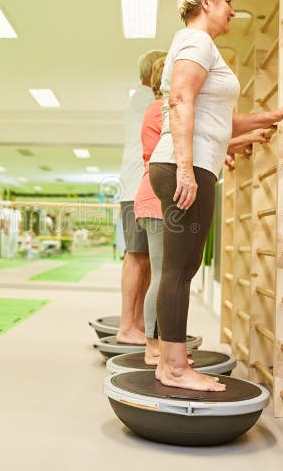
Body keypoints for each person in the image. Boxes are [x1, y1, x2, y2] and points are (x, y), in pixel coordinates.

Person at [148, 0, 283, 391]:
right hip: (185, 167)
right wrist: (184, 167)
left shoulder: (202, 46)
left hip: (194, 164)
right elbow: (180, 99)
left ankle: (171, 358)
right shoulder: (196, 41)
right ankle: (173, 367)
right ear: (207, 2)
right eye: (227, 1)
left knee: (183, 267)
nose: (233, 9)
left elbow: (216, 119)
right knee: (179, 270)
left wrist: (272, 116)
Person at [136, 57, 269, 365]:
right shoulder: (163, 109)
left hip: (157, 198)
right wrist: (246, 136)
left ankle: (160, 343)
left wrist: (241, 141)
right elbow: (189, 145)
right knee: (164, 273)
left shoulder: (164, 109)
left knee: (168, 272)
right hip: (158, 200)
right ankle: (153, 346)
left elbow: (204, 142)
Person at [116, 49, 167, 345]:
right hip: (136, 187)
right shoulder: (147, 99)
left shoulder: (146, 99)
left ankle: (135, 322)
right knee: (136, 257)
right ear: (153, 73)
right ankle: (126, 325)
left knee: (145, 258)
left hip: (138, 187)